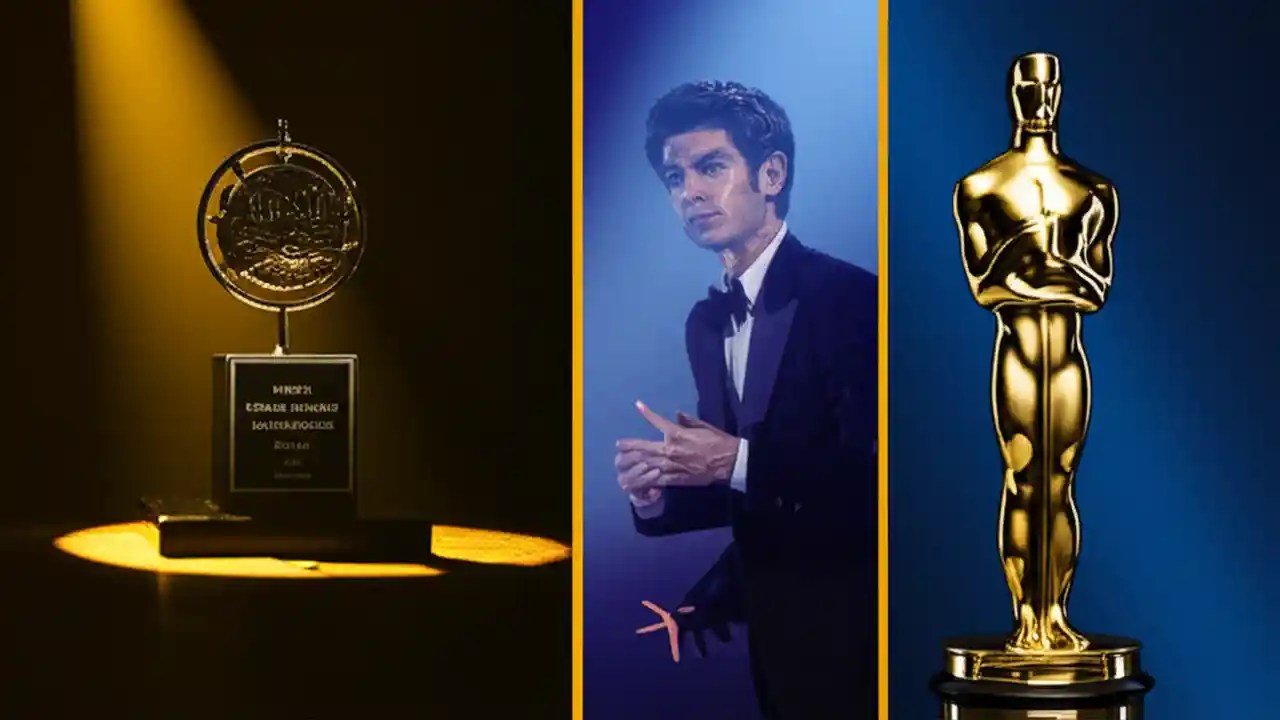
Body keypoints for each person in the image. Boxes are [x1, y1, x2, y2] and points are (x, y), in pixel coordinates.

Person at [613, 80, 878, 718]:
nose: (690, 192)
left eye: (711, 166)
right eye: (674, 177)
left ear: (771, 173)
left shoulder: (850, 298)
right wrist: (655, 495)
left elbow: (877, 480)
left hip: (867, 627)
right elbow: (743, 486)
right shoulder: (704, 326)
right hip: (776, 638)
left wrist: (730, 460)